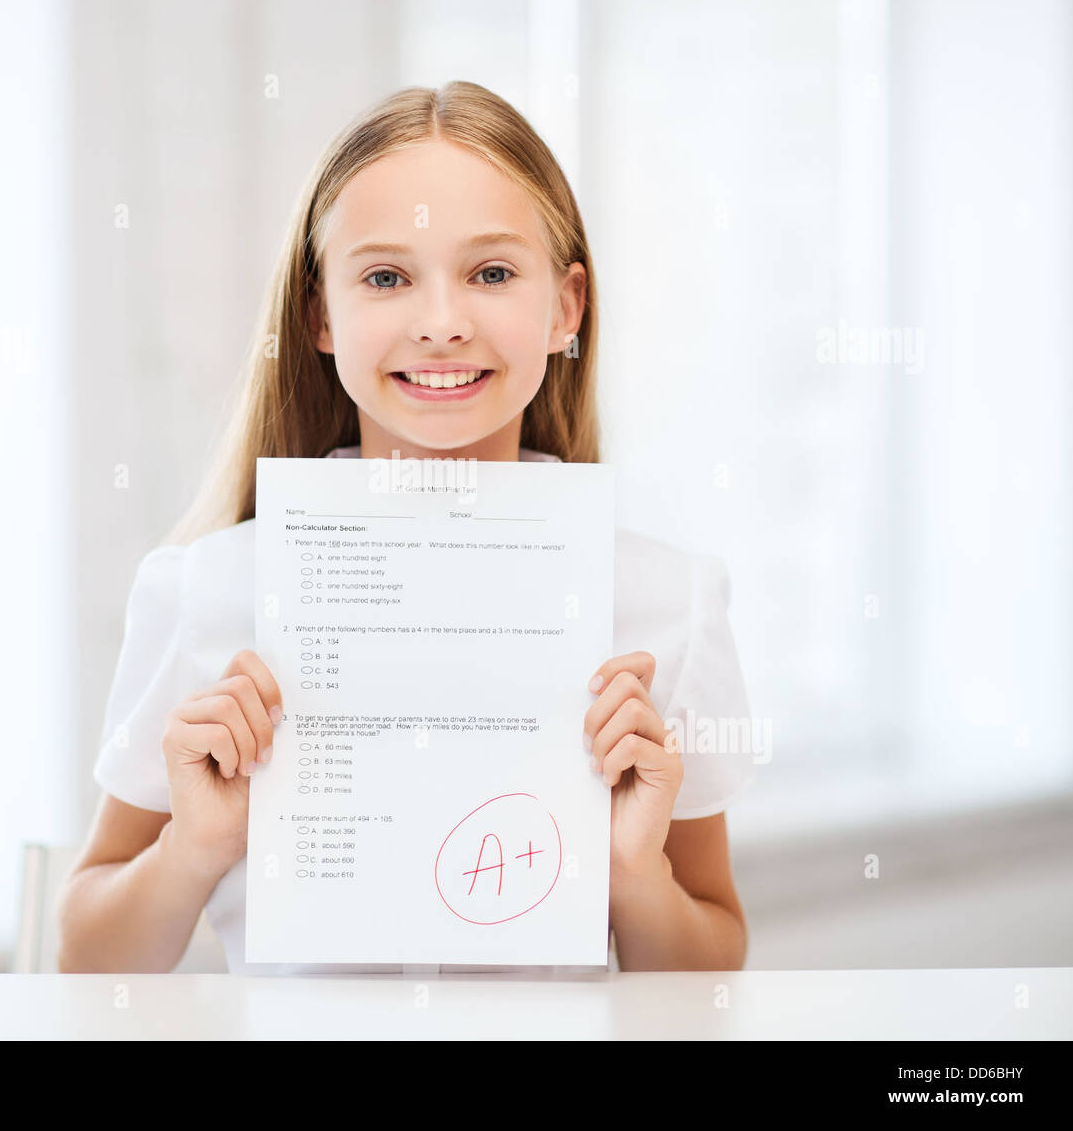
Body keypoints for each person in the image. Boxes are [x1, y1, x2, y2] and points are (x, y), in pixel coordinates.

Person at [57, 81, 757, 975]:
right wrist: (192, 848)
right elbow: (87, 963)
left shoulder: (668, 606)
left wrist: (632, 871)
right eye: (386, 278)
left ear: (566, 308)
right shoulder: (204, 592)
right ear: (319, 313)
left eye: (491, 273)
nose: (441, 325)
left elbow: (708, 976)